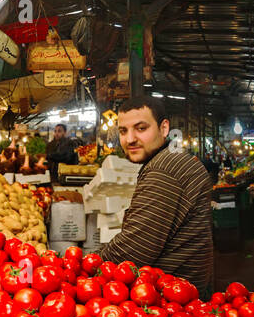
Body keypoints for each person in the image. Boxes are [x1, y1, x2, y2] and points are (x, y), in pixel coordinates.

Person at [92, 96, 217, 293]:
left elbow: (134, 249)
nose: (130, 139)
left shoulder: (165, 170)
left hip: (171, 298)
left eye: (141, 128)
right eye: (123, 131)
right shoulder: (174, 158)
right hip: (180, 291)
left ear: (164, 128)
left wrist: (85, 266)